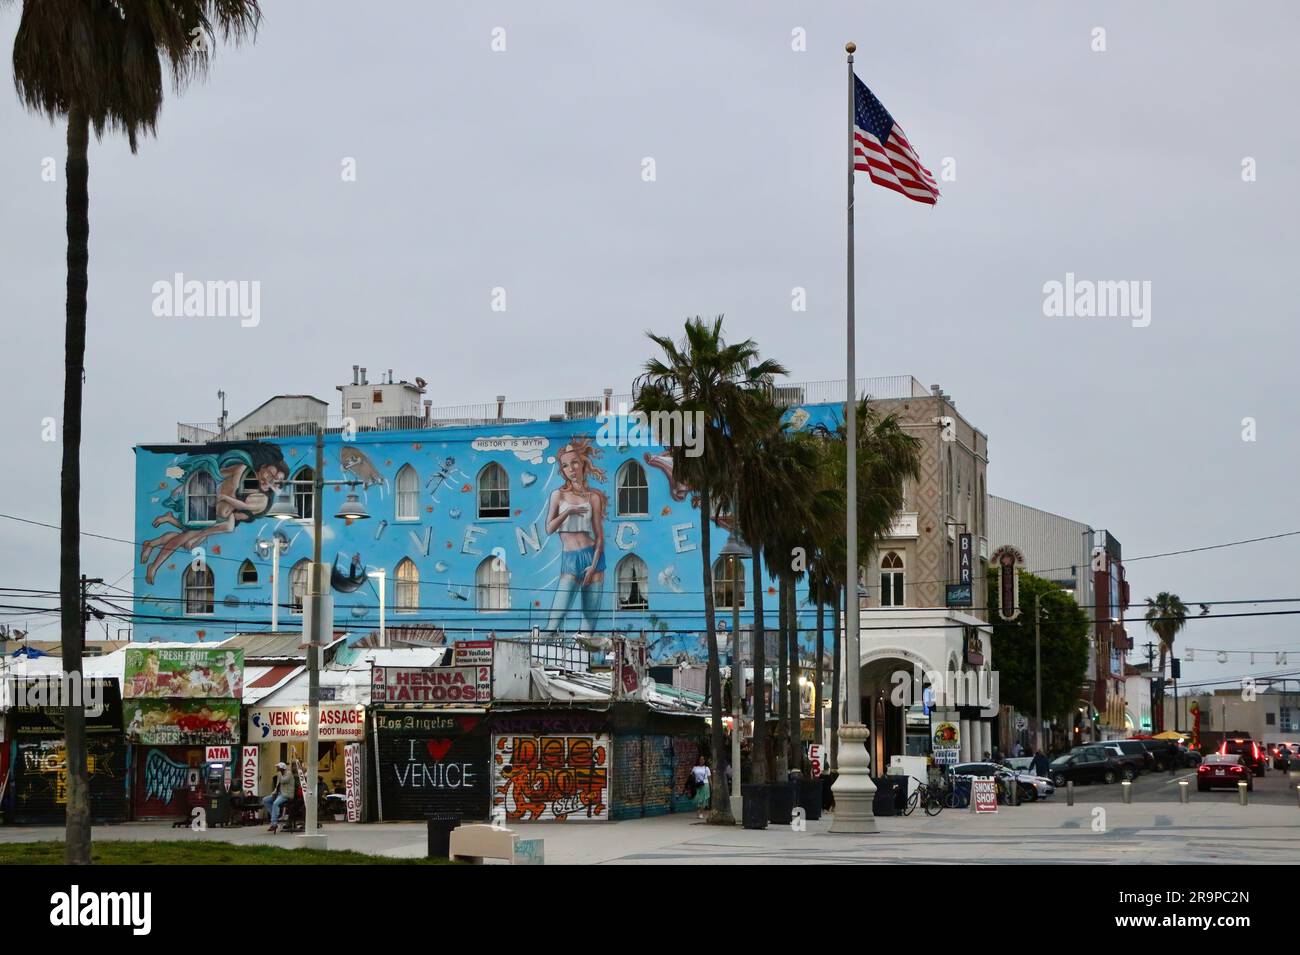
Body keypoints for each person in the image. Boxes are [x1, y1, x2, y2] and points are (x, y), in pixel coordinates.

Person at [263, 761, 296, 832]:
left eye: (278, 767)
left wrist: (279, 774)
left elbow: (283, 781)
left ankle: (274, 824)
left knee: (275, 803)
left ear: (282, 768)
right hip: (279, 794)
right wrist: (274, 792)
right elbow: (278, 785)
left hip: (286, 794)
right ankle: (275, 815)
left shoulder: (288, 773)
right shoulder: (280, 774)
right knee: (265, 800)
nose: (276, 769)